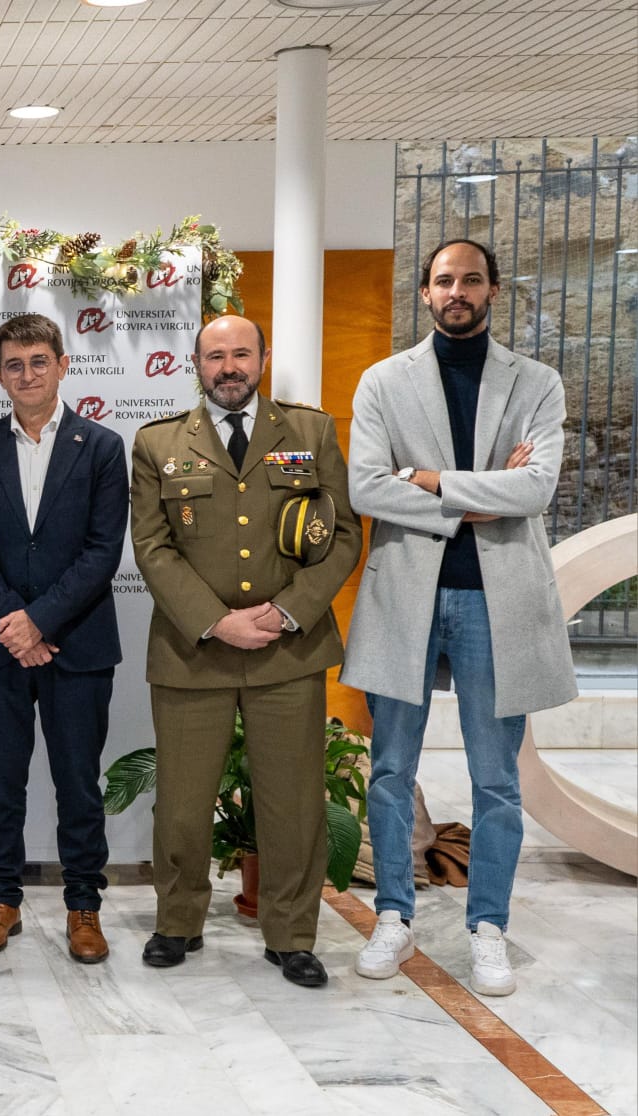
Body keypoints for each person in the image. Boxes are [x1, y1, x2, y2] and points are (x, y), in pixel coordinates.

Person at [344, 238, 573, 997]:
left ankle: (488, 928)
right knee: (389, 770)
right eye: (444, 280)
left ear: (494, 290)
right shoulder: (384, 381)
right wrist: (479, 495)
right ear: (426, 293)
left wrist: (432, 480)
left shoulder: (536, 382)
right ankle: (393, 916)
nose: (457, 291)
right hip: (405, 594)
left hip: (494, 601)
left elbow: (535, 490)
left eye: (471, 279)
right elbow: (369, 489)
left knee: (495, 780)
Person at [130, 314, 360, 988]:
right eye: (214, 356)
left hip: (287, 650)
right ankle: (177, 922)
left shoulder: (311, 431)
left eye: (240, 354)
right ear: (195, 364)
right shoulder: (158, 443)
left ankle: (291, 935)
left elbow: (343, 534)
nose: (228, 367)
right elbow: (151, 546)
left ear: (263, 357)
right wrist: (215, 621)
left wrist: (289, 610)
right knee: (180, 801)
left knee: (291, 801)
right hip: (192, 650)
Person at [0, 314, 128, 963]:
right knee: (1, 781)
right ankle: (1, 901)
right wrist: (15, 623)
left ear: (61, 364)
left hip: (77, 645)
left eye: (38, 360)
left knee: (78, 782)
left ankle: (84, 906)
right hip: (0, 646)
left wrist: (42, 621)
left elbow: (103, 550)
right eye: (14, 364)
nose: (27, 373)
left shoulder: (102, 447)